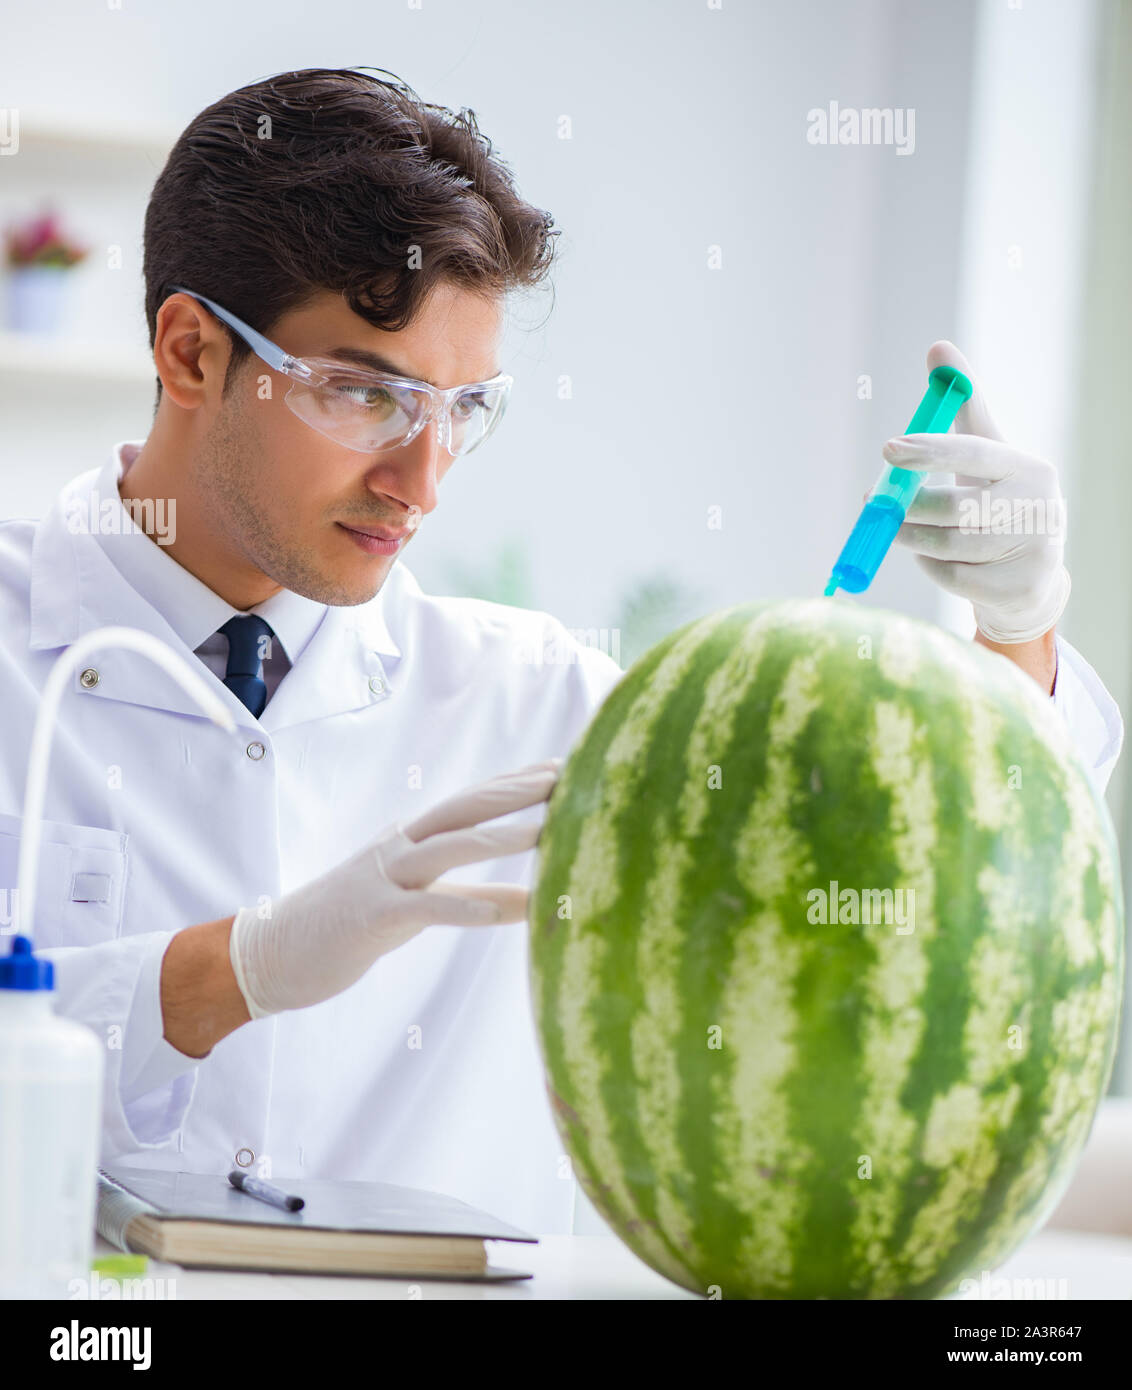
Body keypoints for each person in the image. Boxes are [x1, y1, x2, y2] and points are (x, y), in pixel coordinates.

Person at [0, 67, 1120, 1236]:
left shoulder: (538, 704)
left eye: (463, 409)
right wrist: (240, 967)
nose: (420, 480)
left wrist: (1018, 629)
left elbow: (921, 882)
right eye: (364, 395)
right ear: (189, 352)